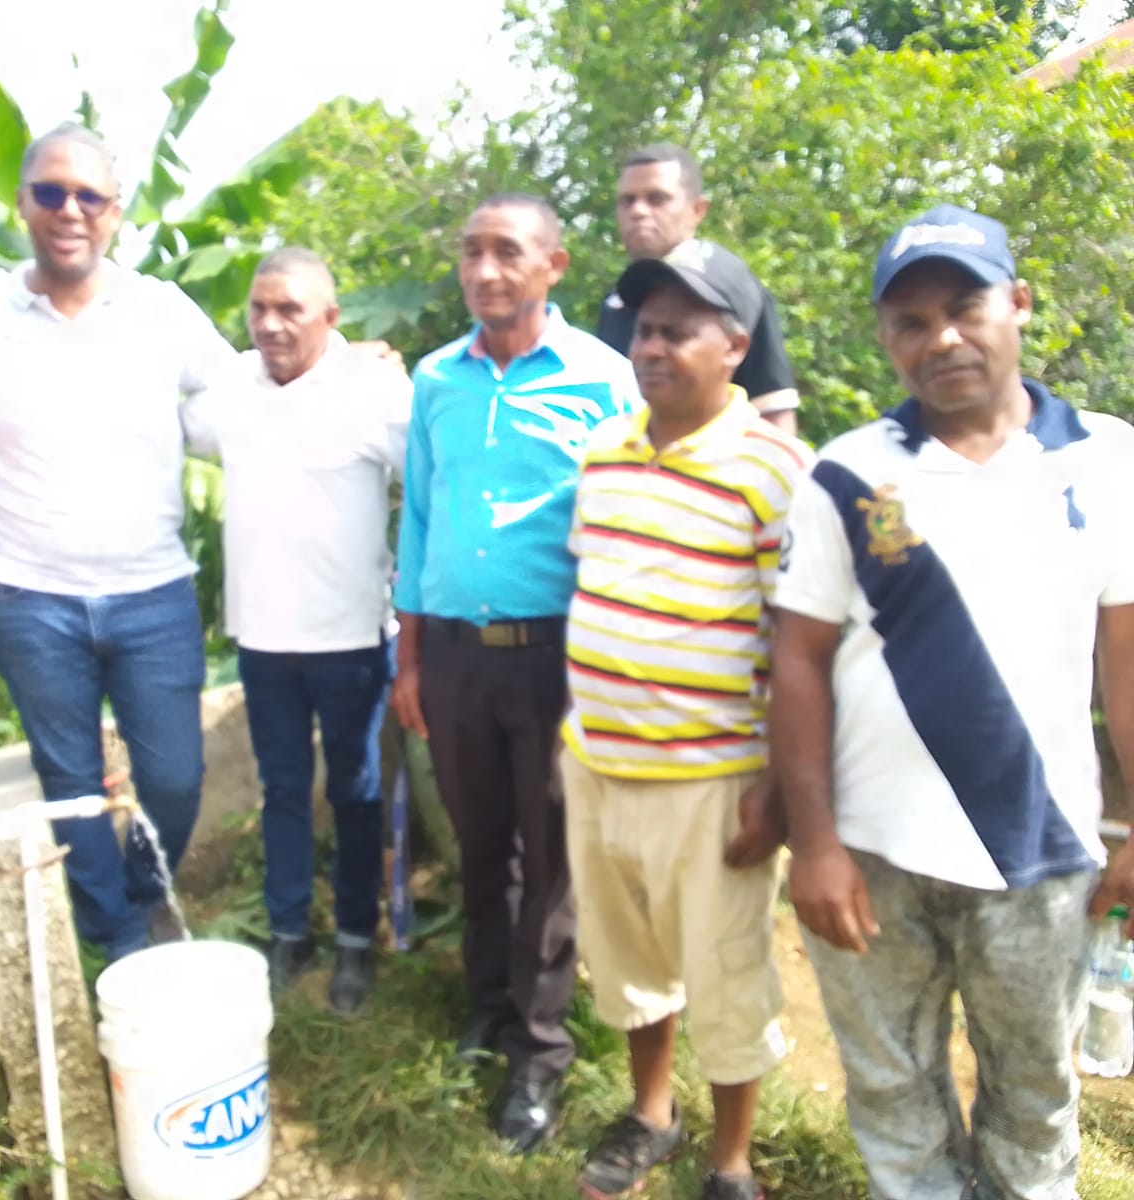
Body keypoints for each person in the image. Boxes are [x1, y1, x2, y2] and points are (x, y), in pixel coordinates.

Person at [770, 204, 1134, 1200]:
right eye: (911, 321)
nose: (940, 339)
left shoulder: (1106, 460)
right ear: (886, 338)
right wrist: (816, 843)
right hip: (872, 855)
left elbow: (1126, 660)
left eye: (964, 308)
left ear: (1018, 304)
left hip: (1042, 853)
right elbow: (797, 662)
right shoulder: (848, 473)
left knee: (1035, 1098)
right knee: (893, 1093)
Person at [0, 123, 238, 962]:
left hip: (154, 592)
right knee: (72, 780)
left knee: (174, 777)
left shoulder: (162, 311)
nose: (70, 210)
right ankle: (116, 936)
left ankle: (145, 894)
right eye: (51, 192)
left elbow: (249, 391)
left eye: (90, 195)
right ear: (23, 203)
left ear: (116, 212)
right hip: (30, 598)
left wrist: (343, 363)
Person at [560, 243, 811, 1200]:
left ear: (736, 346)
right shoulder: (604, 449)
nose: (652, 347)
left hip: (712, 785)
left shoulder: (778, 471)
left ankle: (731, 1161)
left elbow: (798, 646)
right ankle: (653, 1114)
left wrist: (776, 792)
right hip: (598, 764)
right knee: (627, 963)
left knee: (725, 974)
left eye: (678, 331)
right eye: (645, 330)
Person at [392, 192, 640, 1153]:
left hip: (558, 658)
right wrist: (411, 657)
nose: (485, 271)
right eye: (471, 252)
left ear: (554, 266)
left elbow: (630, 516)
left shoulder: (604, 379)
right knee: (481, 841)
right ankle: (488, 1006)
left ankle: (539, 1054)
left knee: (552, 856)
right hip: (455, 655)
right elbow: (418, 519)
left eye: (507, 252)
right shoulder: (437, 379)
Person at [185, 247, 411, 1013]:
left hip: (351, 637)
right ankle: (290, 931)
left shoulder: (371, 389)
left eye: (291, 309)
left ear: (330, 317)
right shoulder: (231, 390)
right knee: (281, 789)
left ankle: (355, 938)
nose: (271, 324)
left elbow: (430, 474)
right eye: (259, 308)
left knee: (354, 789)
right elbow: (172, 419)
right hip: (263, 637)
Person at [597, 143, 801, 434]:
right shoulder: (617, 301)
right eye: (627, 201)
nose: (638, 211)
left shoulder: (732, 292)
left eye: (656, 199)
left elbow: (774, 415)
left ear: (697, 210)